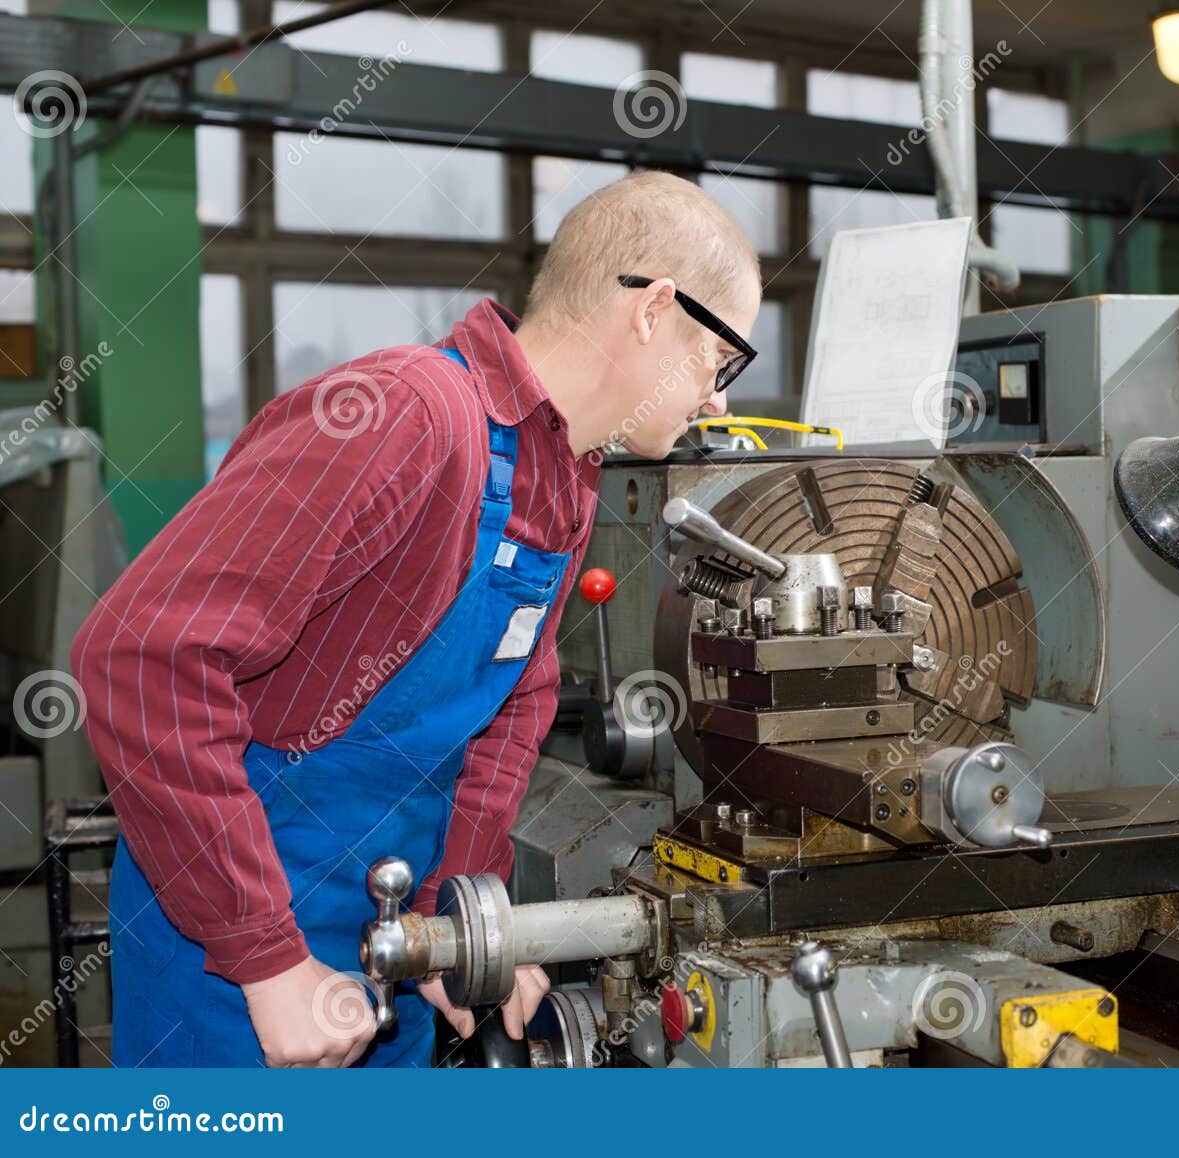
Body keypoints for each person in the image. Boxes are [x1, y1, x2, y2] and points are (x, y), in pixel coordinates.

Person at [72, 170, 762, 1067]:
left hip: (390, 940)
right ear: (655, 309)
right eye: (720, 360)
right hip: (234, 941)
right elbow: (143, 658)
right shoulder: (406, 418)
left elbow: (515, 706)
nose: (719, 400)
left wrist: (457, 922)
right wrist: (265, 959)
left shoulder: (567, 474)